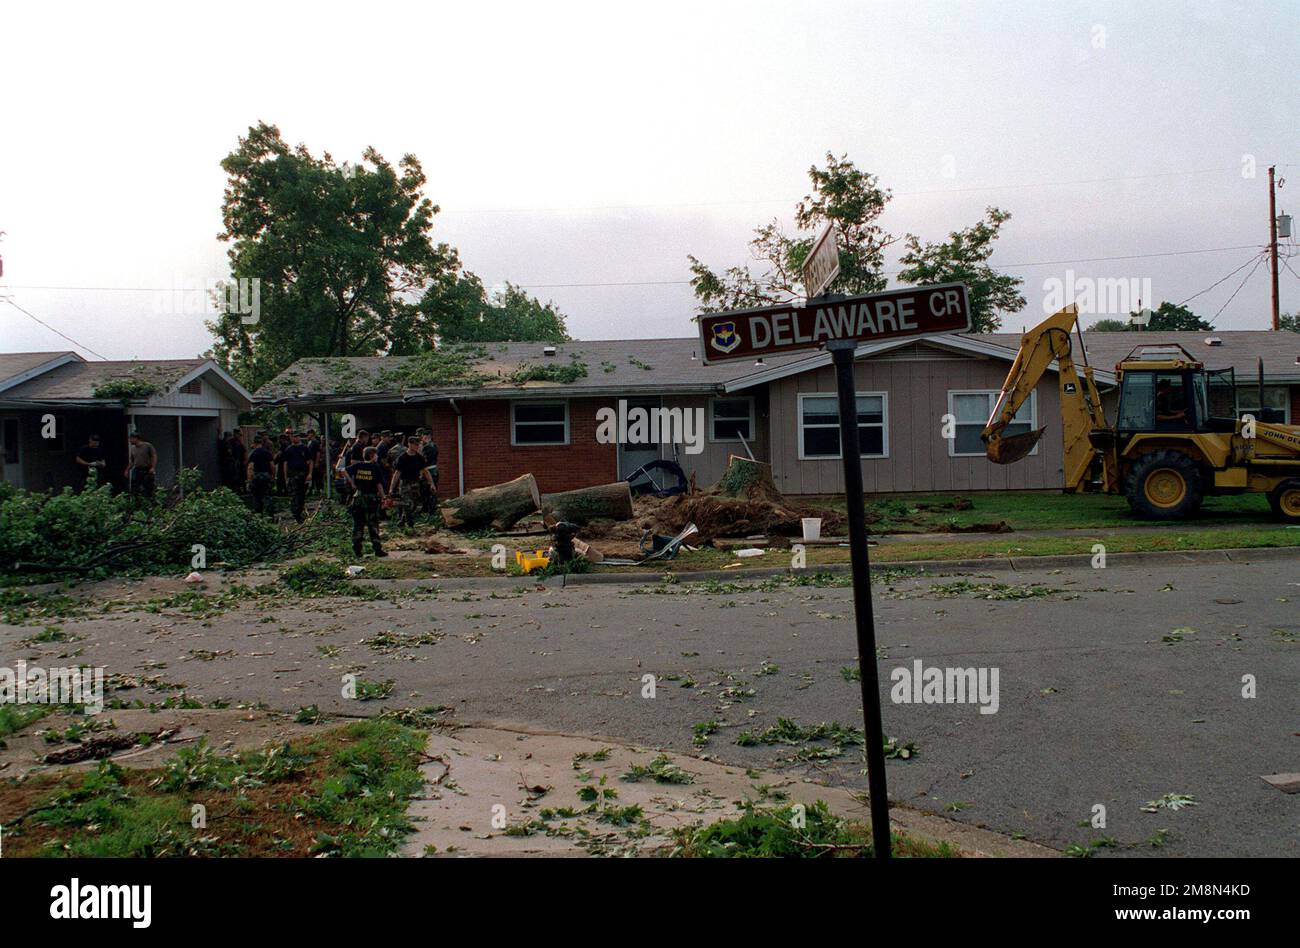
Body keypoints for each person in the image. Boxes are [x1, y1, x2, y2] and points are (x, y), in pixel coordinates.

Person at [345, 446, 388, 557]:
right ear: (371, 455)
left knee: (358, 524)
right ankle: (377, 549)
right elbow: (379, 484)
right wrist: (383, 498)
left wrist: (352, 483)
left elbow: (343, 470)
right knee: (373, 524)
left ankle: (357, 550)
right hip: (371, 499)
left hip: (358, 497)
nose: (377, 456)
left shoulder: (358, 465)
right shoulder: (375, 468)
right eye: (376, 454)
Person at [390, 438, 433, 529]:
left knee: (414, 505)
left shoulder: (419, 457)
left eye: (418, 445)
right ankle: (410, 525)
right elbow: (397, 473)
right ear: (410, 444)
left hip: (415, 483)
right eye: (416, 444)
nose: (418, 447)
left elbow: (426, 471)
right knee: (407, 504)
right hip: (405, 484)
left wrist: (431, 483)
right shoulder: (402, 458)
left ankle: (402, 520)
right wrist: (391, 487)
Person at [280, 431, 313, 523]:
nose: (296, 438)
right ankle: (296, 514)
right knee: (294, 495)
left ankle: (300, 512)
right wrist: (286, 477)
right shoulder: (289, 449)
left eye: (297, 436)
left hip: (303, 475)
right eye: (294, 437)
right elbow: (285, 463)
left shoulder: (305, 448)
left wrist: (310, 474)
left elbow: (310, 461)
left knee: (302, 495)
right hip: (293, 475)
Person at [246, 434, 276, 515]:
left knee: (257, 496)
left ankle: (259, 514)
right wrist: (273, 476)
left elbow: (250, 467)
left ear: (254, 443)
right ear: (261, 443)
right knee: (268, 495)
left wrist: (249, 480)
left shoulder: (253, 454)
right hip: (266, 476)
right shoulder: (267, 453)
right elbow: (272, 466)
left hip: (256, 476)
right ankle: (270, 514)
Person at [125, 431, 157, 500]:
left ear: (136, 438)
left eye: (131, 439)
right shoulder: (133, 449)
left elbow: (154, 456)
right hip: (137, 469)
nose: (130, 441)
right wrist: (127, 470)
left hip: (146, 469)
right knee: (135, 488)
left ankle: (150, 503)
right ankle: (137, 503)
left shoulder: (147, 446)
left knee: (149, 488)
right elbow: (132, 461)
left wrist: (153, 467)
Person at [418, 428, 439, 513]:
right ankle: (432, 508)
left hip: (428, 471)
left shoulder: (426, 447)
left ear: (426, 436)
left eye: (423, 436)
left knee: (425, 491)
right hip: (434, 470)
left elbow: (423, 460)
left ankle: (428, 510)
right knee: (433, 490)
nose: (422, 438)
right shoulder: (435, 445)